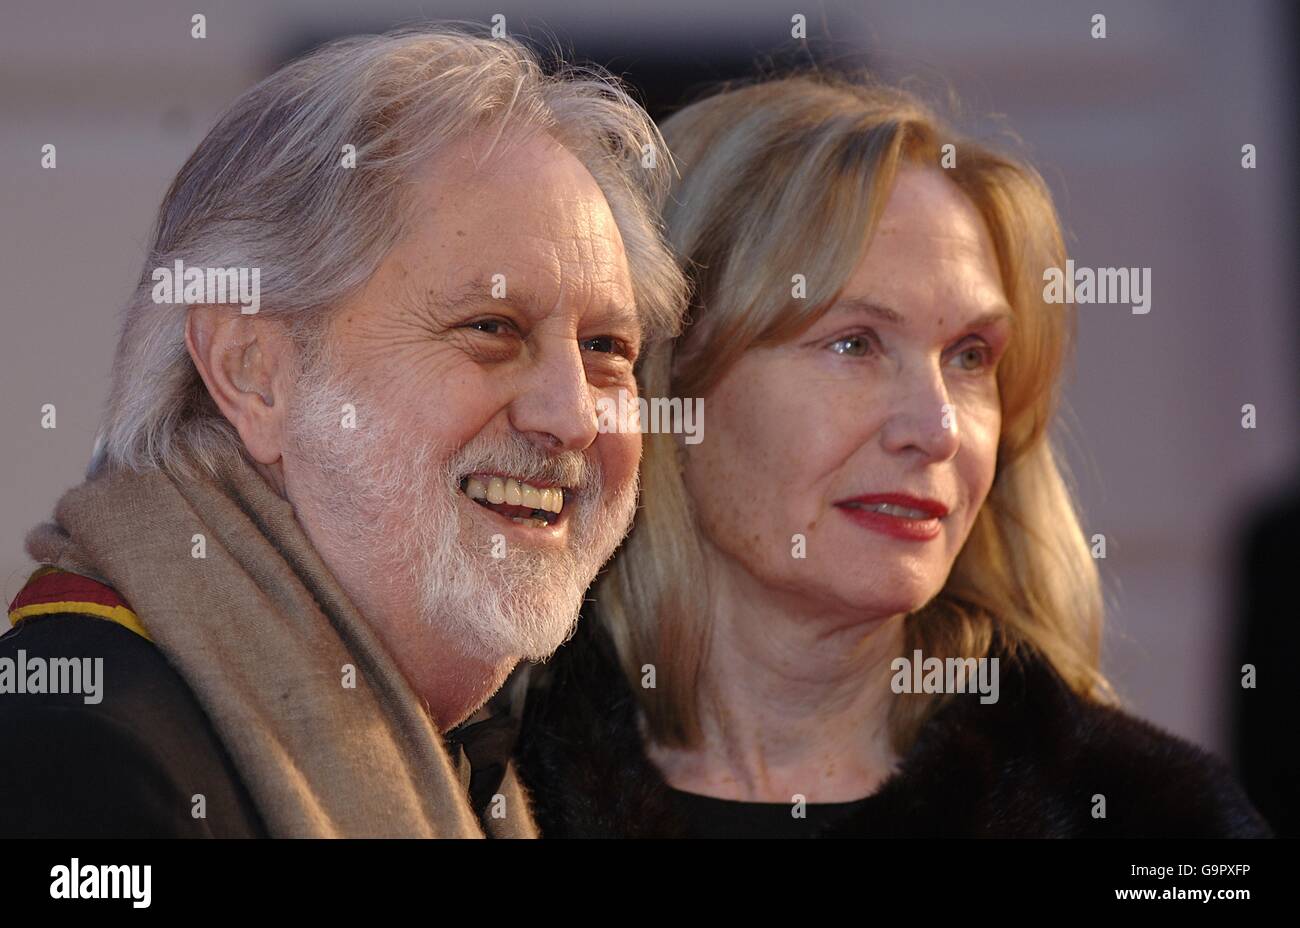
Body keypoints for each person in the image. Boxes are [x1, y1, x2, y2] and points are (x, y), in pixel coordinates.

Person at [513, 74, 1272, 838]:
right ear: (666, 378)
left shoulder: (1153, 822)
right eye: (854, 343)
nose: (937, 427)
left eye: (970, 357)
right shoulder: (479, 786)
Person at [0, 25, 685, 838]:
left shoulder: (492, 761)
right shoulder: (74, 759)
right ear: (254, 372)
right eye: (492, 328)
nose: (573, 415)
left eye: (606, 349)